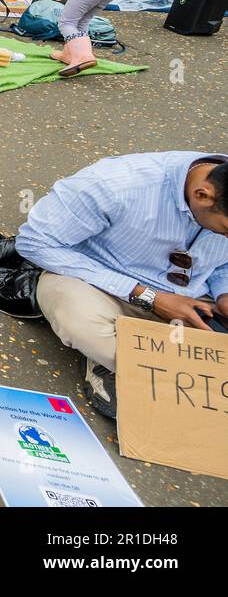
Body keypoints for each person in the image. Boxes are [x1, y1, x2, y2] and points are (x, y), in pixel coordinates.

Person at [17, 153, 228, 419]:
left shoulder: (217, 204)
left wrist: (223, 292)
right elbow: (35, 242)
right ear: (202, 195)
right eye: (225, 230)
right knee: (79, 320)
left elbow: (223, 264)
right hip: (99, 287)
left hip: (194, 299)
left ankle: (143, 367)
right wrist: (148, 296)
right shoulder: (114, 185)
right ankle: (122, 364)